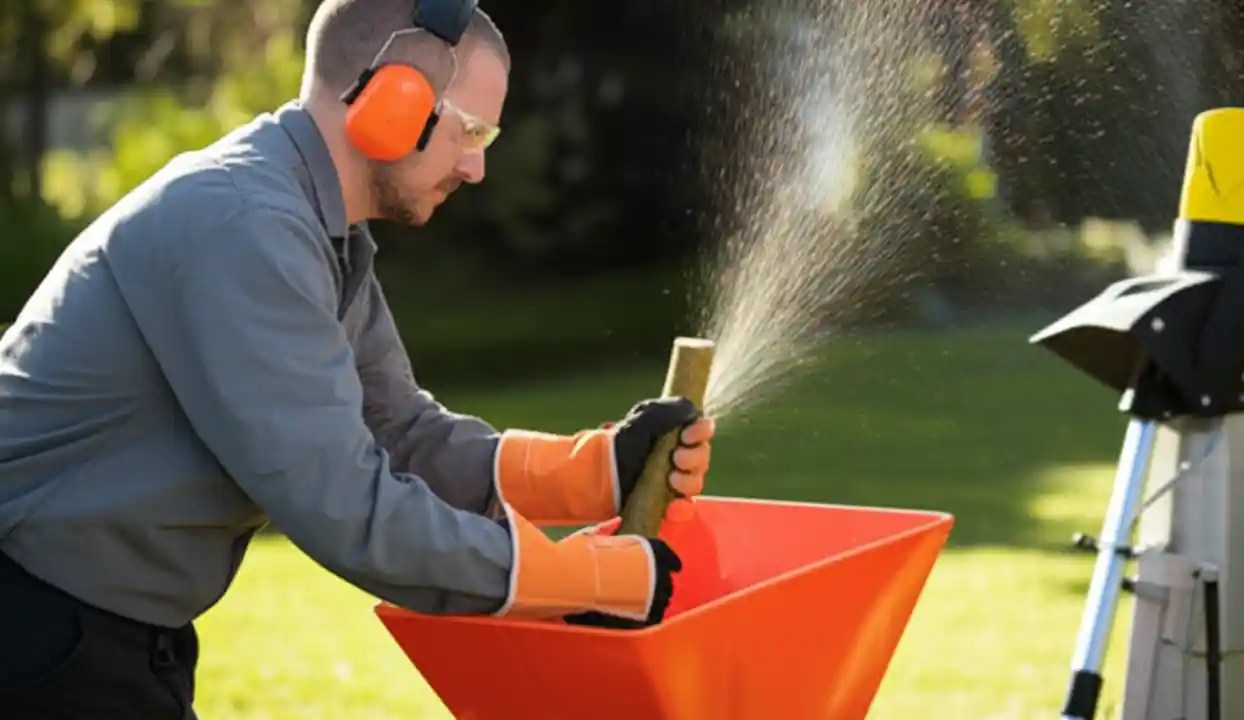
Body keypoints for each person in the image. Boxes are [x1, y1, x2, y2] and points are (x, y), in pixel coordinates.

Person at [0, 1, 715, 717]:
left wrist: (591, 471)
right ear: (392, 97)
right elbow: (343, 501)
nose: (476, 167)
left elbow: (396, 430)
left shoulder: (313, 229)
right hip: (34, 623)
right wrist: (584, 578)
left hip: (98, 633)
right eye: (470, 130)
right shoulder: (244, 227)